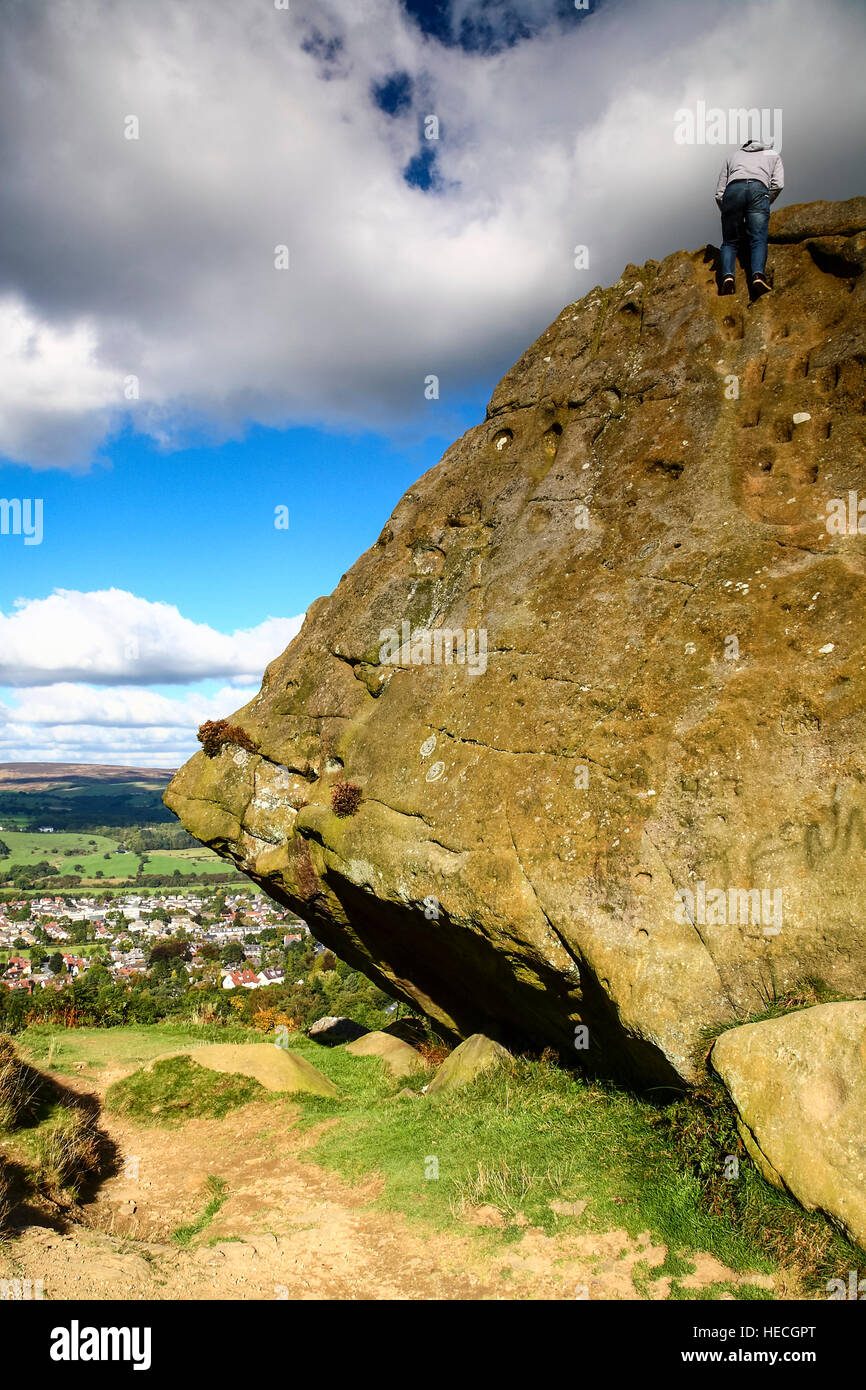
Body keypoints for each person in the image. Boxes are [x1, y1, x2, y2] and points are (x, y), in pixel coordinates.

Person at [715, 136, 784, 296]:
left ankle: (728, 278)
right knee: (758, 238)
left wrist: (727, 211)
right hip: (758, 189)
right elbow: (778, 184)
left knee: (730, 241)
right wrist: (766, 200)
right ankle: (758, 275)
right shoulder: (773, 154)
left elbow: (719, 194)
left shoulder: (732, 156)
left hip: (733, 190)